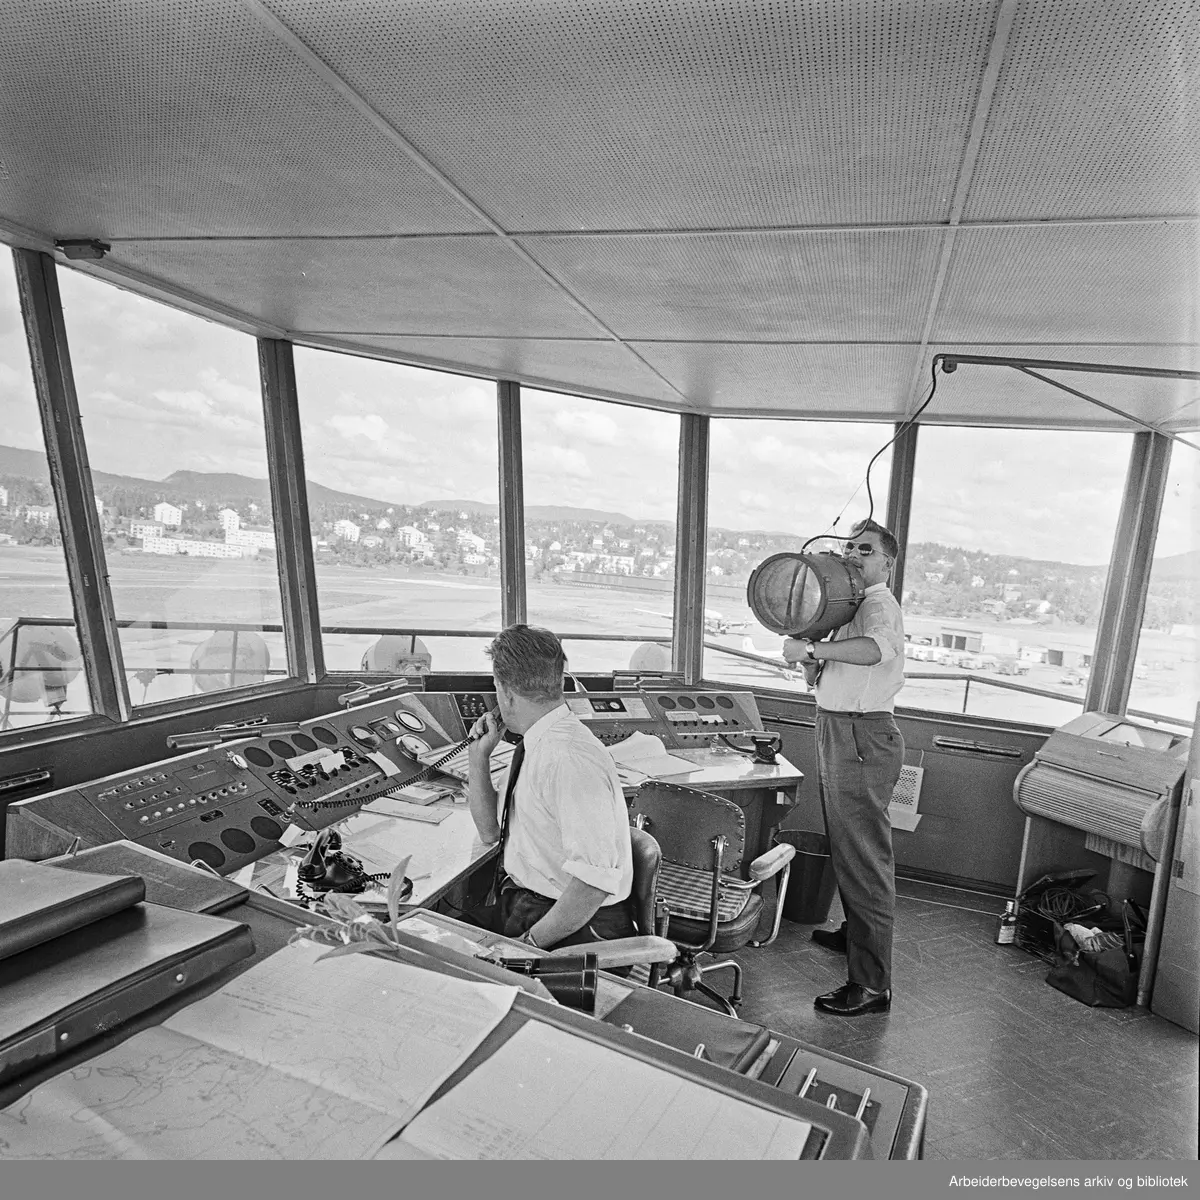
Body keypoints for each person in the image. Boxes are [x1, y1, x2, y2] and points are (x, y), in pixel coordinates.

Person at [783, 519, 906, 1016]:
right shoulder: (851, 605)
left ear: (887, 565)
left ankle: (872, 985)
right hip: (841, 728)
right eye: (850, 547)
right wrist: (814, 660)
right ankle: (855, 934)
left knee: (863, 860)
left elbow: (877, 650)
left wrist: (814, 648)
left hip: (861, 734)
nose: (854, 555)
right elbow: (833, 671)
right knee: (847, 846)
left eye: (866, 549)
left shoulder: (878, 604)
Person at [466, 623, 635, 950]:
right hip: (527, 903)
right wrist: (478, 757)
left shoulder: (568, 759)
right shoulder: (540, 744)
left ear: (504, 691)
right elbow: (490, 832)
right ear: (558, 681)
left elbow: (592, 886)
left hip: (574, 927)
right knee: (427, 935)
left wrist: (525, 946)